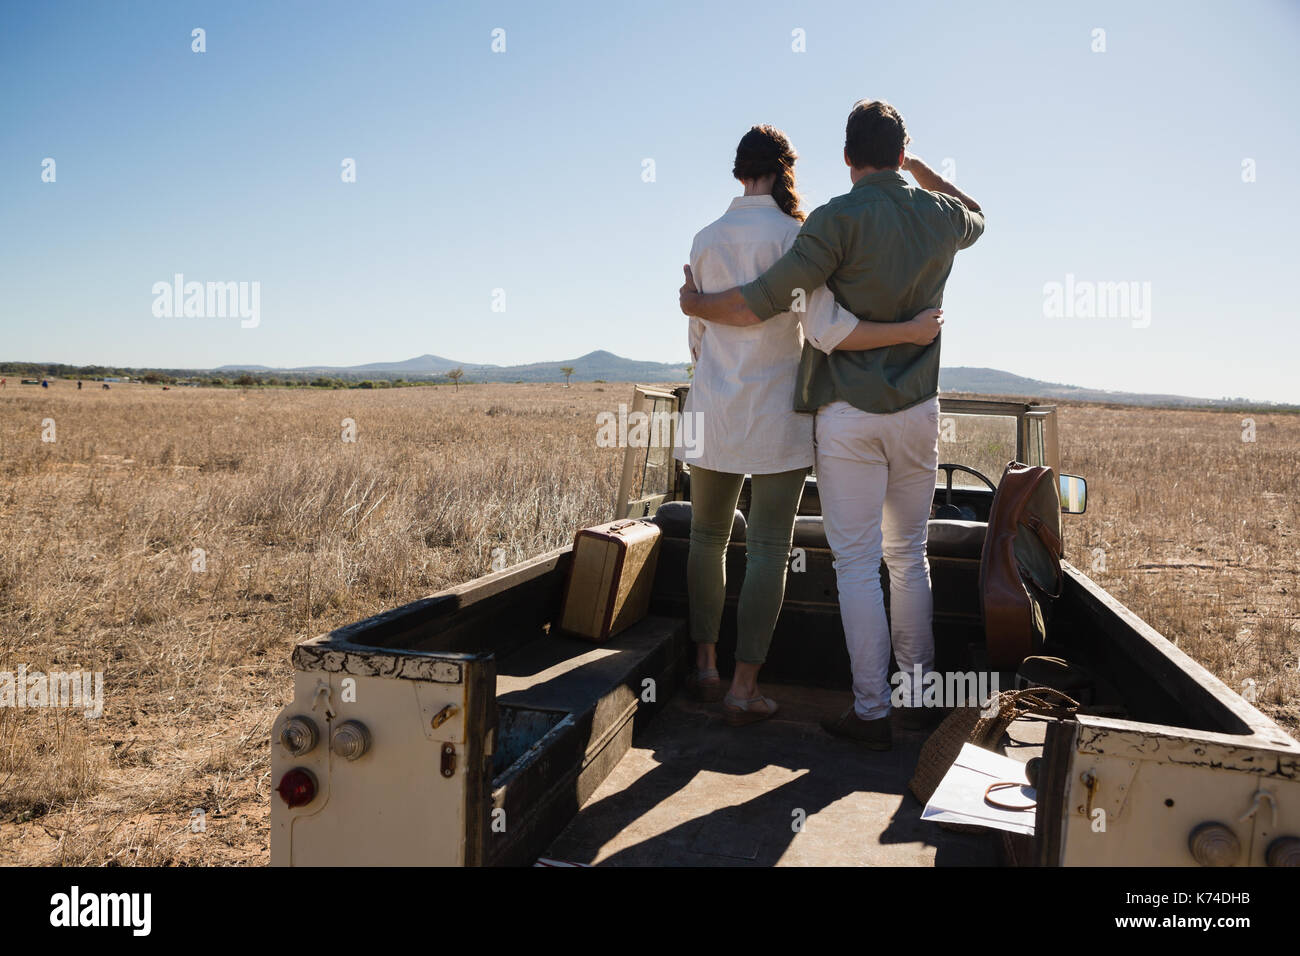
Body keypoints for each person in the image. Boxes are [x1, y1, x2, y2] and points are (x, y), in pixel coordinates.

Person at [679, 100, 984, 750]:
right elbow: (979, 216)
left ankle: (870, 711)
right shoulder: (941, 215)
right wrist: (925, 173)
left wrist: (694, 302)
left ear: (847, 159)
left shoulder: (830, 222)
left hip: (844, 416)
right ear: (902, 155)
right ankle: (921, 695)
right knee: (910, 556)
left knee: (850, 562)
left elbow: (761, 304)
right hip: (918, 412)